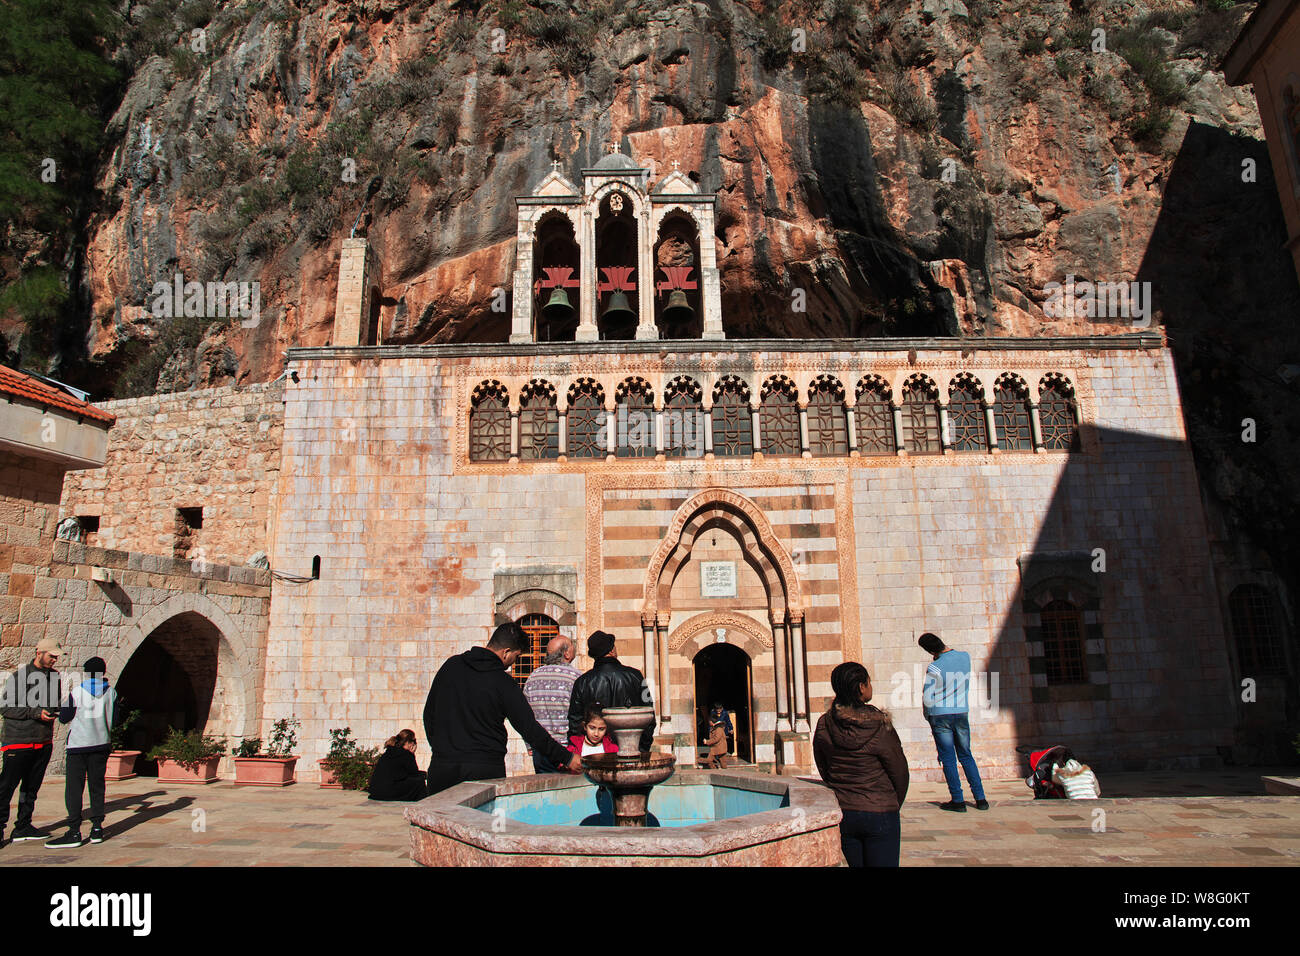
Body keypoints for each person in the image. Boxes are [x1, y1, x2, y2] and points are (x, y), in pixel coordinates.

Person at [423, 622, 582, 795]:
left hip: (443, 769)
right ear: (506, 652)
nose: (514, 662)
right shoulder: (502, 682)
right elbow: (529, 728)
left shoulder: (451, 666)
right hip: (483, 771)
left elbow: (429, 714)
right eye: (517, 656)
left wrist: (442, 750)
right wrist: (567, 758)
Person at [813, 661, 909, 868]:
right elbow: (899, 772)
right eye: (869, 682)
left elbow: (823, 765)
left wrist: (841, 788)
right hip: (880, 811)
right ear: (861, 687)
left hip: (846, 811)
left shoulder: (825, 723)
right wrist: (891, 803)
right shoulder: (880, 724)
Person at [47, 656, 116, 849]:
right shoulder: (111, 692)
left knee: (74, 789)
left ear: (86, 672)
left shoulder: (77, 692)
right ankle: (96, 829)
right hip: (101, 744)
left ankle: (74, 831)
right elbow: (115, 718)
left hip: (78, 745)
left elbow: (64, 718)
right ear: (103, 672)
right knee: (97, 786)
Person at [0, 638, 64, 846]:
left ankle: (23, 826)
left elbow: (53, 703)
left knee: (31, 788)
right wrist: (36, 713)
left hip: (43, 741)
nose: (55, 660)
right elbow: (6, 708)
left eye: (56, 657)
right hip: (18, 741)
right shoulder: (20, 677)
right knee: (6, 788)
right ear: (39, 653)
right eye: (52, 656)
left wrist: (56, 712)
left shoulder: (55, 677)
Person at [919, 632, 988, 812]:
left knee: (948, 758)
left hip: (940, 714)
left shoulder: (934, 667)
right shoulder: (965, 657)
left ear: (929, 650)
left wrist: (927, 715)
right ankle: (981, 799)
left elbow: (927, 696)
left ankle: (958, 800)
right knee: (966, 755)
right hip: (961, 712)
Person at [567, 630, 654, 752]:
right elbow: (650, 714)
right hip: (631, 750)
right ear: (612, 650)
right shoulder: (636, 676)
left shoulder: (582, 682)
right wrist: (642, 748)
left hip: (596, 753)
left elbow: (575, 722)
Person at [522, 635, 581, 773]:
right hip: (568, 750)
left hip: (541, 749)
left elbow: (525, 716)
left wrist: (530, 746)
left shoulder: (533, 677)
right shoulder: (576, 677)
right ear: (566, 653)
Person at [367, 729, 428, 802]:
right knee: (419, 782)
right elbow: (414, 773)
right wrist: (412, 754)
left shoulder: (388, 752)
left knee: (418, 778)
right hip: (388, 792)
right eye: (414, 742)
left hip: (376, 792)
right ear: (408, 742)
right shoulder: (406, 755)